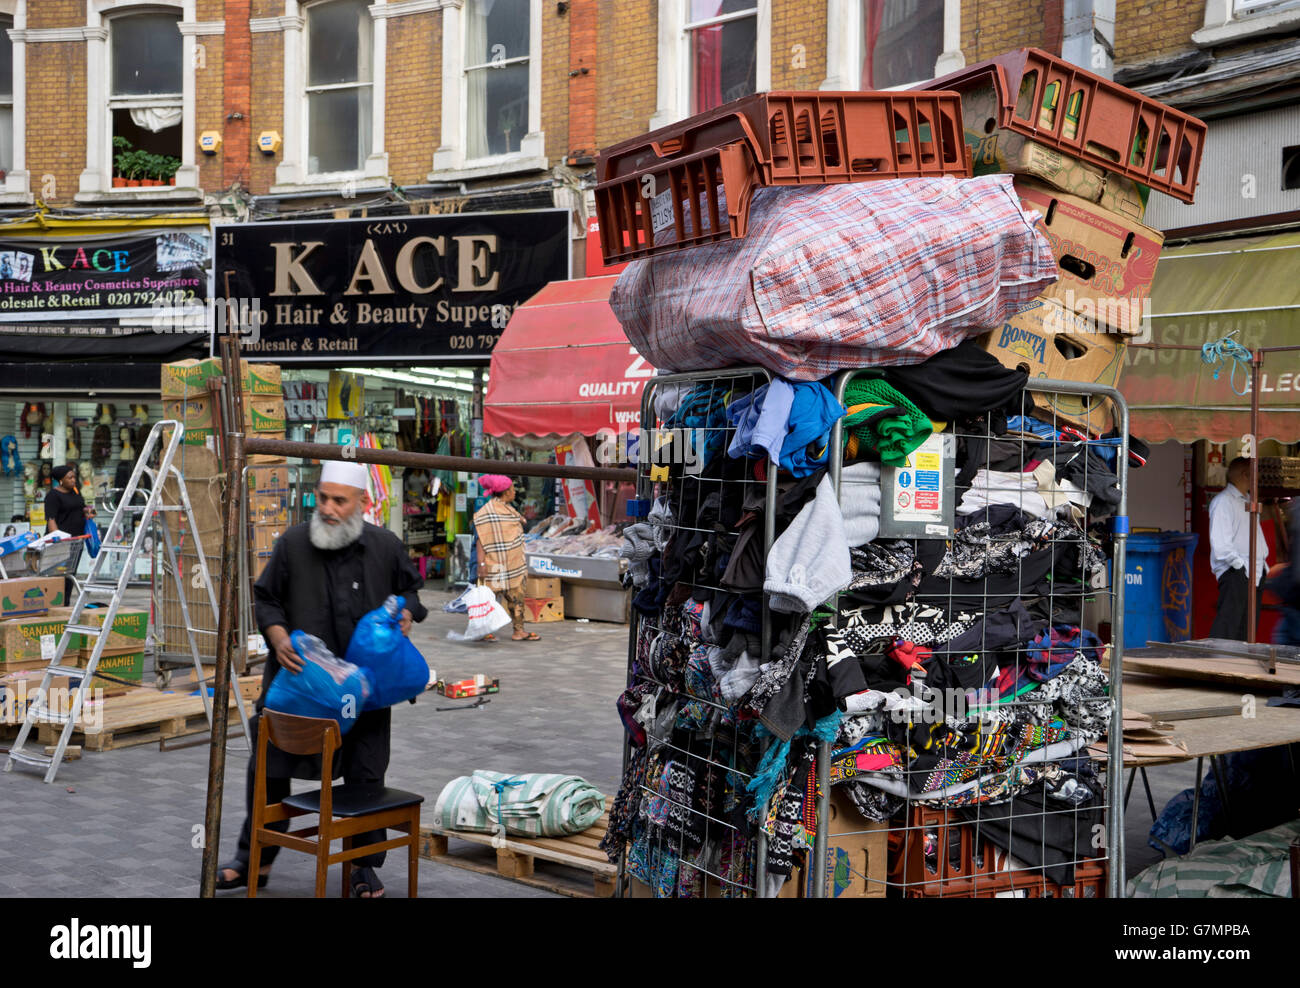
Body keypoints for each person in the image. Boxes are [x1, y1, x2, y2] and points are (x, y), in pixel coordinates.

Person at [217, 457, 427, 898]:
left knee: (366, 776)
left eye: (339, 500)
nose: (328, 507)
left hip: (363, 695)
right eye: (322, 497)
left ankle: (362, 868)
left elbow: (409, 591)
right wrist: (276, 636)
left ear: (361, 503)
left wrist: (407, 612)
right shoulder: (293, 543)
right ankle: (253, 859)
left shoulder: (385, 546)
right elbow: (266, 598)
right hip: (299, 690)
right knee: (268, 770)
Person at [1207, 457, 1269, 641]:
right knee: (1228, 626)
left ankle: (1240, 666)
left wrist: (1263, 564)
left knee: (1246, 630)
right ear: (1245, 475)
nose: (1257, 480)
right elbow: (1221, 544)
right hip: (1236, 571)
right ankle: (1215, 666)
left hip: (1254, 571)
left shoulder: (1248, 500)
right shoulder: (1224, 502)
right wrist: (1239, 565)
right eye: (1254, 475)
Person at [473, 474, 539, 642]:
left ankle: (519, 631)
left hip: (513, 563)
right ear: (506, 492)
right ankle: (484, 631)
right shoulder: (486, 512)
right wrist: (481, 563)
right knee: (489, 598)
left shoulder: (509, 509)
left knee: (516, 598)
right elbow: (481, 538)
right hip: (494, 563)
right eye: (512, 489)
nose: (515, 492)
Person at [44, 464, 94, 600]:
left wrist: (88, 512)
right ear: (61, 480)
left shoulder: (75, 491)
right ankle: (56, 603)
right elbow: (51, 519)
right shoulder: (53, 496)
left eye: (74, 477)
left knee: (70, 574)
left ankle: (65, 603)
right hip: (62, 542)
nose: (73, 480)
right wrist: (58, 540)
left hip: (76, 541)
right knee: (59, 575)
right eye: (69, 477)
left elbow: (81, 507)